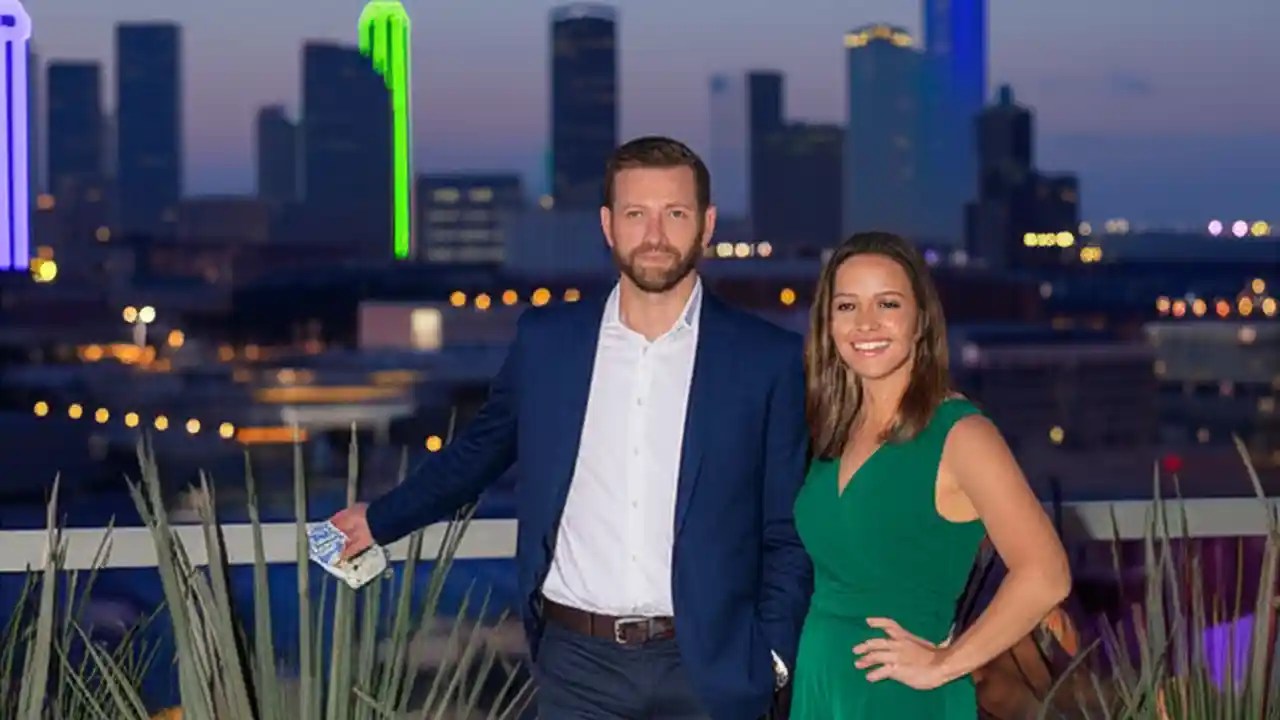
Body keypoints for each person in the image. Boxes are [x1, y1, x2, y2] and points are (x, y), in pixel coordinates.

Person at [330, 136, 812, 719]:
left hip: (710, 669)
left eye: (675, 214)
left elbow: (787, 531)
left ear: (706, 225)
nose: (654, 235)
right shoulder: (549, 343)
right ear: (609, 225)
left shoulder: (767, 358)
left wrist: (773, 660)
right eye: (636, 214)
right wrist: (381, 519)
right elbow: (480, 452)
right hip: (578, 668)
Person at [788, 232, 1072, 718]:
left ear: (921, 322)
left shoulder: (961, 434)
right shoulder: (835, 430)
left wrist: (944, 665)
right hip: (823, 680)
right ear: (827, 324)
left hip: (902, 695)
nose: (866, 323)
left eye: (888, 304)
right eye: (847, 306)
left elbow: (1046, 575)